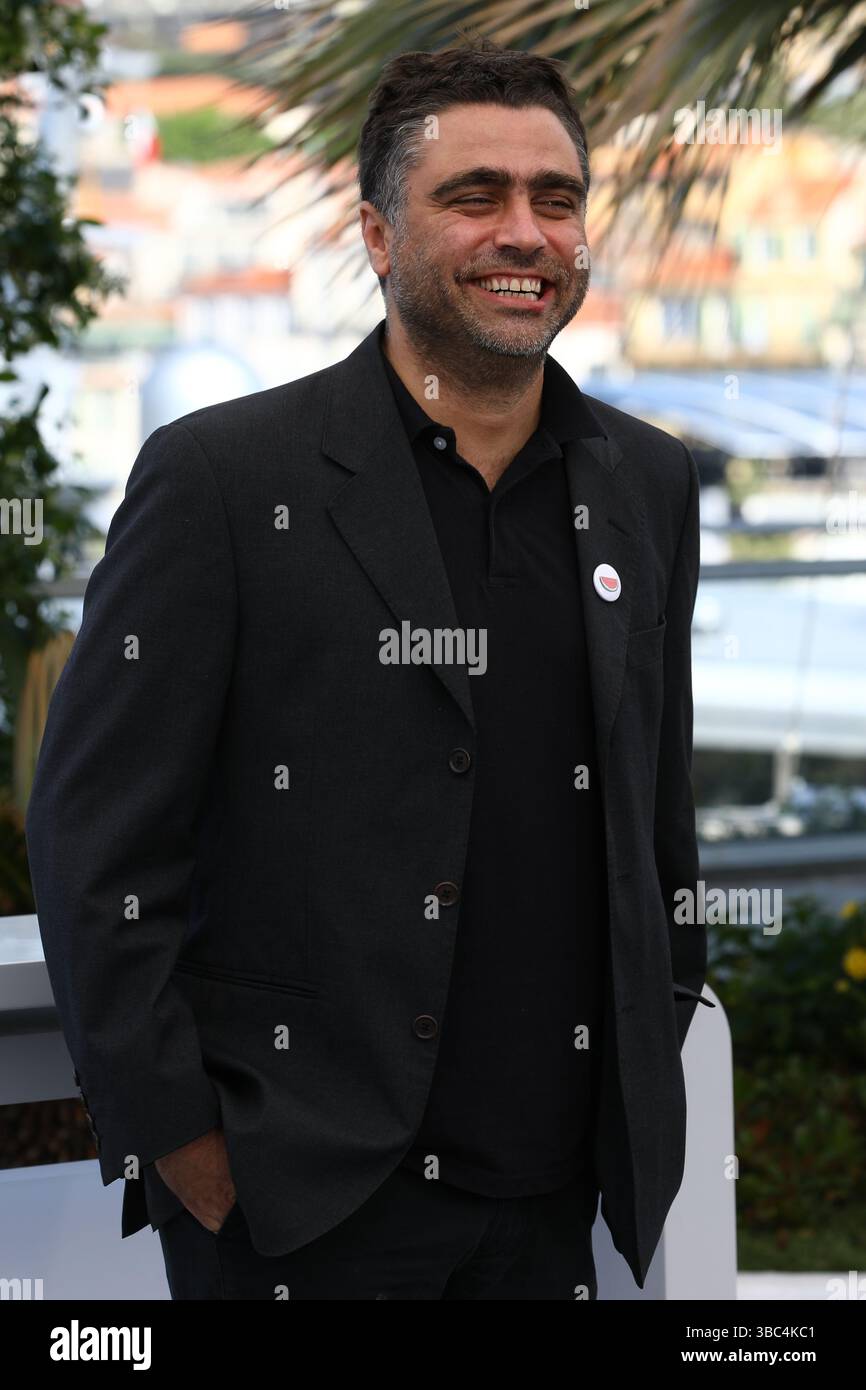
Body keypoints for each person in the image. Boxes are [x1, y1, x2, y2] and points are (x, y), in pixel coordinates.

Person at [25, 37, 712, 1301]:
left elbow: (655, 820)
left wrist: (653, 1017)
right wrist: (189, 1146)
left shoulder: (647, 483)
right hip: (297, 1209)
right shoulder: (224, 482)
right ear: (379, 235)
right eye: (474, 197)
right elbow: (94, 840)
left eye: (553, 200)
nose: (525, 232)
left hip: (554, 1203)